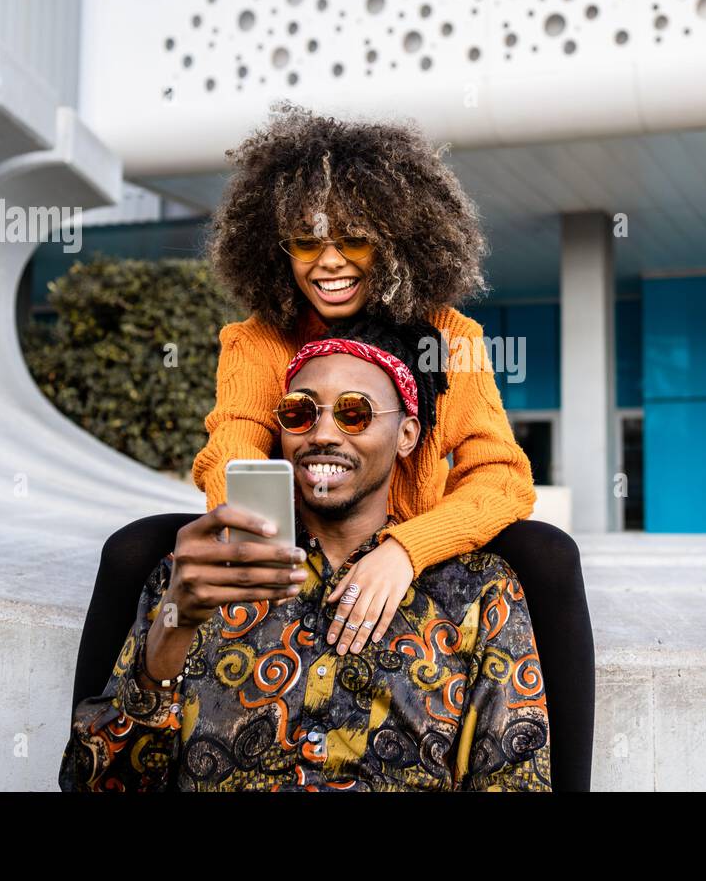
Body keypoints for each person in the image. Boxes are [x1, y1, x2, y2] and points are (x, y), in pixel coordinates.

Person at [70, 101, 594, 790]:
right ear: (275, 245)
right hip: (296, 533)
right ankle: (92, 747)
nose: (328, 262)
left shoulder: (452, 337)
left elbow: (500, 475)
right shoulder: (259, 338)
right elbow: (233, 445)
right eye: (306, 241)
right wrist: (262, 543)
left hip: (417, 541)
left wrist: (405, 552)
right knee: (137, 548)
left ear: (398, 239)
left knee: (548, 552)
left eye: (354, 240)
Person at [59, 319, 550, 790]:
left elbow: (512, 779)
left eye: (354, 412)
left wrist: (406, 550)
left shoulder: (478, 595)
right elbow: (97, 782)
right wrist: (172, 631)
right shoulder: (197, 575)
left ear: (407, 436)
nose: (323, 434)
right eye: (300, 412)